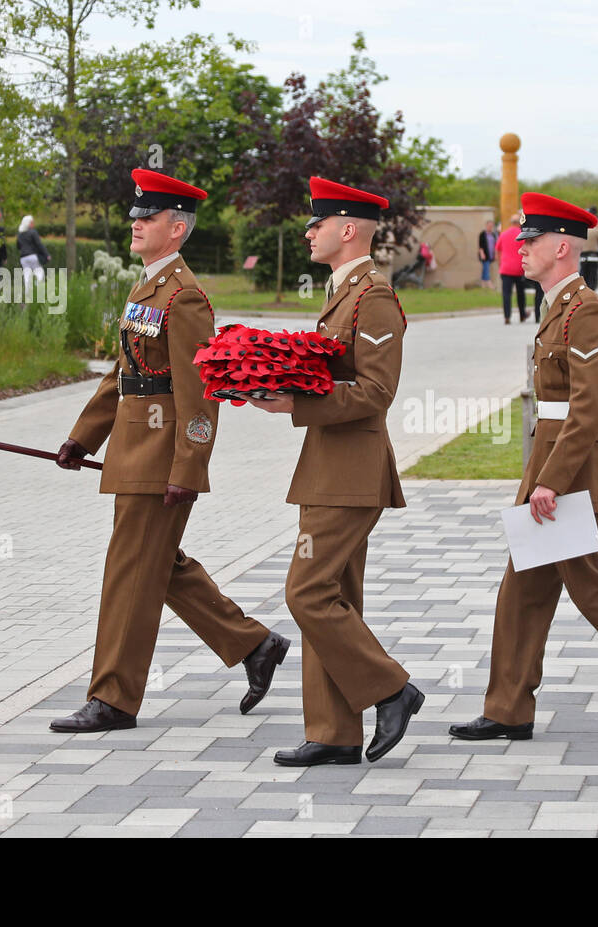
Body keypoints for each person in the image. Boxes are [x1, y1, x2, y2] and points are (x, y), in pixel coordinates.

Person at [50, 169, 288, 733]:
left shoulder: (183, 299)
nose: (135, 224)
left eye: (147, 217)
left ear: (176, 228)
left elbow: (199, 394)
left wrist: (188, 467)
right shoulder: (146, 287)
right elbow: (124, 374)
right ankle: (254, 644)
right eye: (135, 215)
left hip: (159, 459)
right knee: (158, 566)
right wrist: (83, 435)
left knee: (130, 574)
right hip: (133, 449)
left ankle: (113, 699)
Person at [449, 192, 598, 743]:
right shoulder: (560, 308)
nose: (520, 248)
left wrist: (550, 479)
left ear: (564, 246)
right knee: (522, 591)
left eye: (532, 240)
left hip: (570, 480)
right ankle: (507, 710)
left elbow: (586, 410)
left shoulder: (587, 312)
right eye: (521, 239)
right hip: (551, 473)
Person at [248, 177, 423, 767]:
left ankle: (393, 689)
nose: (308, 231)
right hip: (329, 465)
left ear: (348, 230)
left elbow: (376, 391)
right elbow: (332, 375)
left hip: (351, 469)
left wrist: (296, 404)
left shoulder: (372, 295)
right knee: (336, 593)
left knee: (307, 592)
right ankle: (333, 731)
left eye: (317, 223)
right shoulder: (343, 291)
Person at [495, 215, 544, 324]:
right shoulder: (521, 234)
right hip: (520, 268)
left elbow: (498, 250)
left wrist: (500, 264)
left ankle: (507, 317)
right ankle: (522, 315)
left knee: (506, 294)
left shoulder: (503, 234)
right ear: (519, 223)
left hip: (506, 268)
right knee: (520, 293)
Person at [17, 215, 49, 298]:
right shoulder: (33, 232)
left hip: (23, 258)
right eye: (32, 222)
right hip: (33, 256)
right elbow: (39, 244)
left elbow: (18, 246)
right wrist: (46, 254)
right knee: (39, 273)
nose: (33, 224)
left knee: (27, 276)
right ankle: (39, 293)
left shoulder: (20, 234)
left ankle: (28, 295)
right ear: (29, 223)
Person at [579, 205, 598, 291]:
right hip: (593, 257)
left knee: (583, 279)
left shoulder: (581, 230)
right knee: (593, 280)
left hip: (582, 258)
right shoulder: (595, 230)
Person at [477, 219, 497, 290]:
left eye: (491, 226)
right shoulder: (482, 234)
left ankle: (483, 284)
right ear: (486, 226)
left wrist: (495, 254)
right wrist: (482, 254)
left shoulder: (493, 234)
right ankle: (489, 284)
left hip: (491, 254)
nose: (490, 227)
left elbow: (495, 245)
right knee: (486, 268)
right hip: (485, 255)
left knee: (485, 269)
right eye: (489, 226)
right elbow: (480, 245)